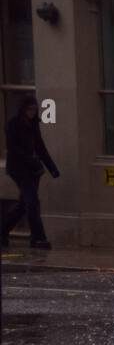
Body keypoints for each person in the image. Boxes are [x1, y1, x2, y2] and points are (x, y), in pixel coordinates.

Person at [3, 94, 59, 250]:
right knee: (32, 202)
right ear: (23, 109)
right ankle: (39, 237)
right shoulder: (13, 125)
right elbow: (14, 149)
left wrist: (52, 167)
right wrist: (32, 161)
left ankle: (3, 230)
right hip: (19, 169)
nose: (32, 112)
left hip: (33, 170)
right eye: (30, 109)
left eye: (34, 109)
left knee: (25, 204)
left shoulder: (34, 125)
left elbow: (40, 147)